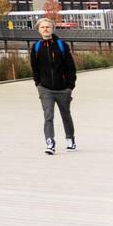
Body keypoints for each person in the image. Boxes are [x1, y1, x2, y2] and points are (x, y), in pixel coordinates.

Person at [30, 16, 77, 154]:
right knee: (48, 116)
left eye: (48, 27)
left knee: (66, 115)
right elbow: (34, 68)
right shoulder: (36, 47)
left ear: (52, 29)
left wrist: (70, 86)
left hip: (63, 89)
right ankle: (50, 142)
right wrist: (38, 84)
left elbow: (71, 68)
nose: (45, 29)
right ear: (39, 30)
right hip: (45, 89)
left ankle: (70, 139)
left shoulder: (62, 45)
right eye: (42, 27)